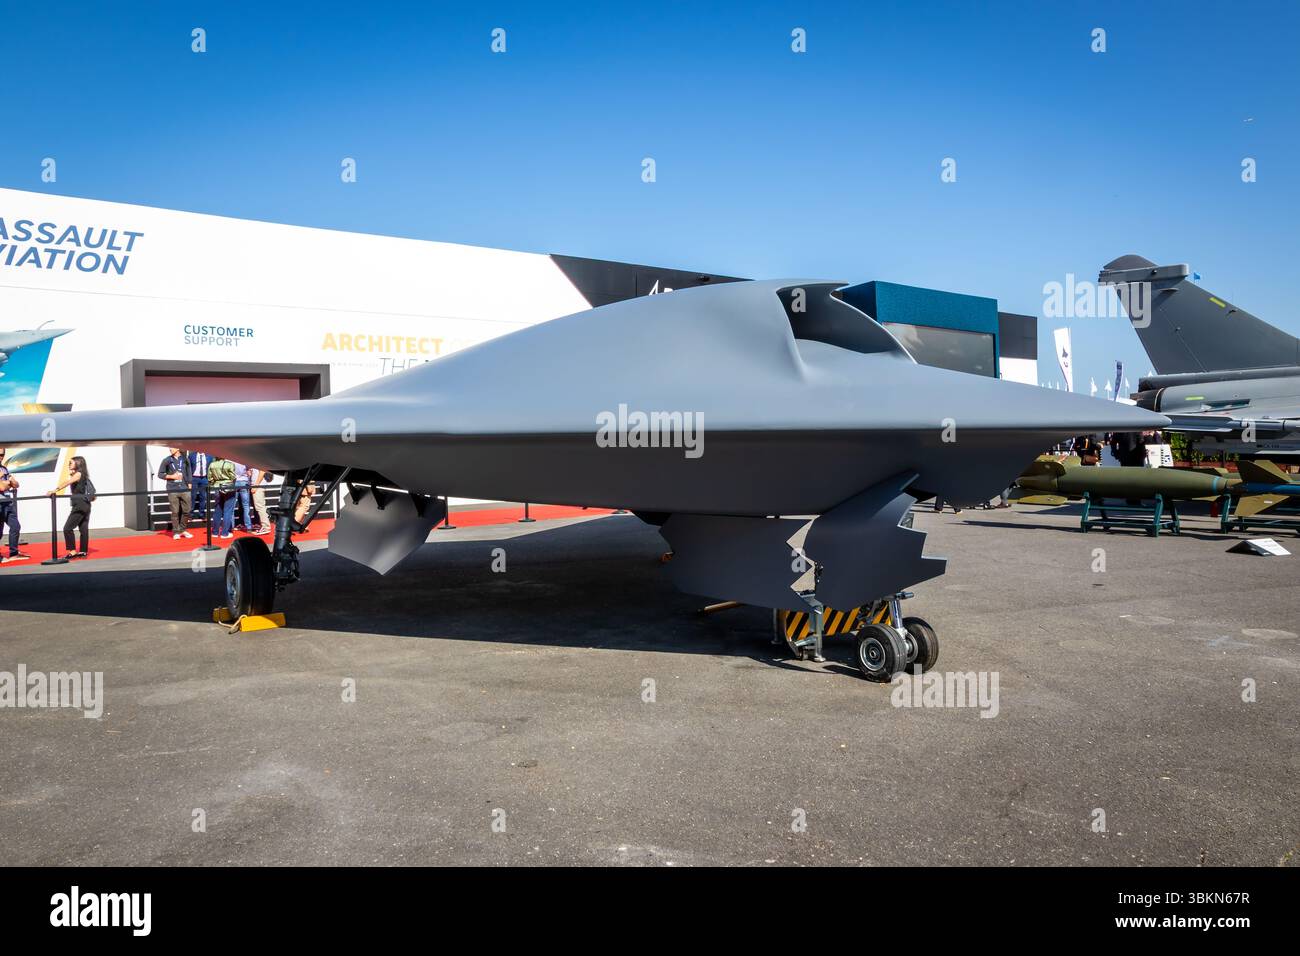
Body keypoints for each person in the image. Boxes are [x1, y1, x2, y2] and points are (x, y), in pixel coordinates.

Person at [48, 455, 95, 558]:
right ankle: (83, 551)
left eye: (71, 462)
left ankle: (73, 551)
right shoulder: (82, 474)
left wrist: (54, 490)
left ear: (78, 464)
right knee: (83, 529)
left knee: (67, 528)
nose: (69, 464)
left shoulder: (78, 474)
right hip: (86, 505)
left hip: (80, 505)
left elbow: (67, 483)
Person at [0, 447, 30, 564]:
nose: (1, 457)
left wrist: (6, 481)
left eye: (2, 454)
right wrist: (8, 482)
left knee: (15, 526)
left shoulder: (4, 468)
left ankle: (14, 553)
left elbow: (16, 484)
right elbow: (2, 487)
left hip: (7, 502)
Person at [158, 448, 194, 539]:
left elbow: (189, 471)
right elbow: (160, 474)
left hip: (184, 488)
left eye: (172, 447)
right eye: (169, 448)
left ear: (177, 448)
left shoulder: (185, 459)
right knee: (175, 512)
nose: (170, 449)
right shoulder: (167, 460)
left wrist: (189, 484)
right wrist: (171, 476)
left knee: (187, 510)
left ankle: (182, 529)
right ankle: (176, 532)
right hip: (172, 489)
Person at [249, 466, 274, 533]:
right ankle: (265, 527)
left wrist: (256, 485)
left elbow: (262, 471)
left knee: (260, 506)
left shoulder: (258, 460)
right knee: (260, 506)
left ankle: (266, 527)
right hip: (258, 486)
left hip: (258, 486)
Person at [189, 450, 212, 521]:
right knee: (193, 496)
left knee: (203, 496)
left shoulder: (209, 456)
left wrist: (210, 479)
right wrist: (189, 480)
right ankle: (190, 514)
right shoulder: (191, 456)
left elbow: (210, 468)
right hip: (194, 478)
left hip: (204, 478)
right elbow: (189, 468)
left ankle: (201, 514)